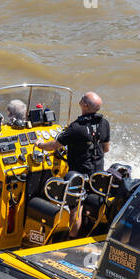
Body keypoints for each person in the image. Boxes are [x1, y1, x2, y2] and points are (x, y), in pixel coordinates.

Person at [37, 91, 111, 236]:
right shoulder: (104, 123)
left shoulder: (76, 127)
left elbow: (53, 146)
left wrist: (40, 144)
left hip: (79, 175)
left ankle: (71, 239)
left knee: (76, 208)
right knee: (88, 203)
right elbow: (106, 149)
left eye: (83, 98)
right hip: (97, 175)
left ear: (84, 105)